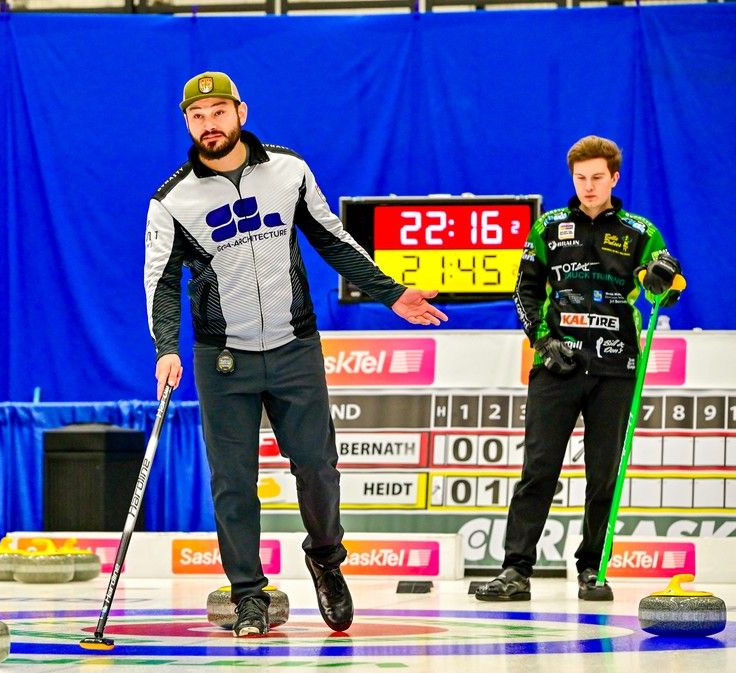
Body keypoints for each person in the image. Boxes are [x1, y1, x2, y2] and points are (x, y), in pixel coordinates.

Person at [144, 71, 448, 637]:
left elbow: (333, 238)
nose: (208, 125)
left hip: (294, 346)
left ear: (241, 112)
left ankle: (327, 562)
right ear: (187, 123)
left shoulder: (288, 170)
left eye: (217, 112)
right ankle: (249, 596)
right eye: (196, 116)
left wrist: (392, 293)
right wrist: (166, 347)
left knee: (317, 469)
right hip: (223, 358)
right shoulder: (171, 200)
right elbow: (160, 282)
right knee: (232, 481)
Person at [476, 135, 681, 603]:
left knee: (603, 473)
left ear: (614, 178)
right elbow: (524, 292)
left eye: (597, 178)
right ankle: (515, 570)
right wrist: (542, 341)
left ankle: (592, 569)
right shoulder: (548, 227)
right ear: (573, 178)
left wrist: (664, 277)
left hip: (615, 368)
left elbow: (660, 294)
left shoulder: (639, 231)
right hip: (556, 366)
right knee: (539, 468)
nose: (588, 187)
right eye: (580, 178)